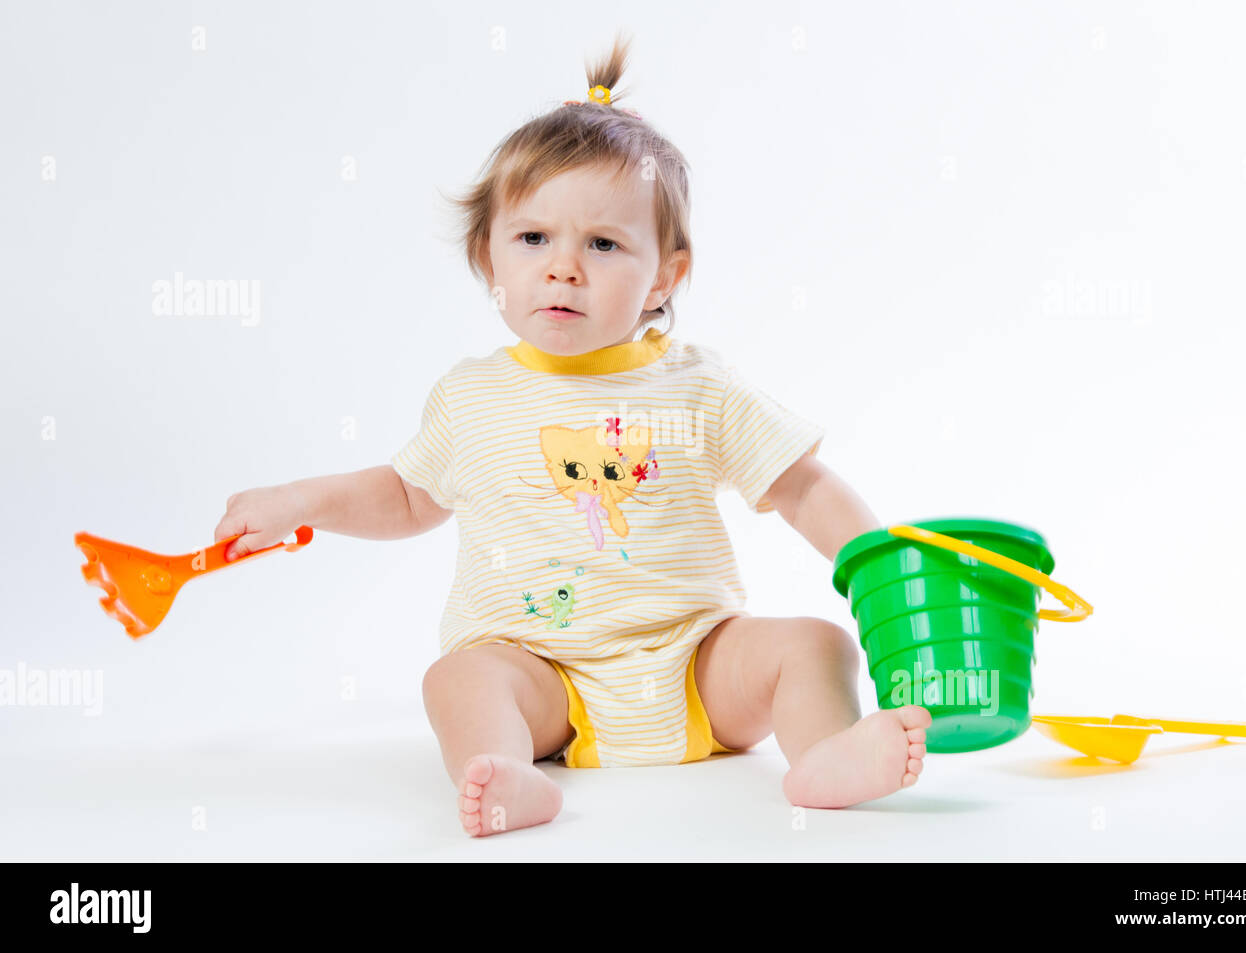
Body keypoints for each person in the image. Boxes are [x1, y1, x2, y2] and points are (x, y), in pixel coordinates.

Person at [213, 32, 930, 838]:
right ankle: (510, 773)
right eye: (533, 239)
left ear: (664, 275)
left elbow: (802, 485)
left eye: (603, 243)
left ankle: (827, 755)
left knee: (813, 644)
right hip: (543, 677)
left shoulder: (698, 386)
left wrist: (889, 568)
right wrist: (295, 501)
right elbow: (405, 494)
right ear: (490, 257)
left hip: (697, 662)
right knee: (457, 678)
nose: (564, 268)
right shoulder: (472, 394)